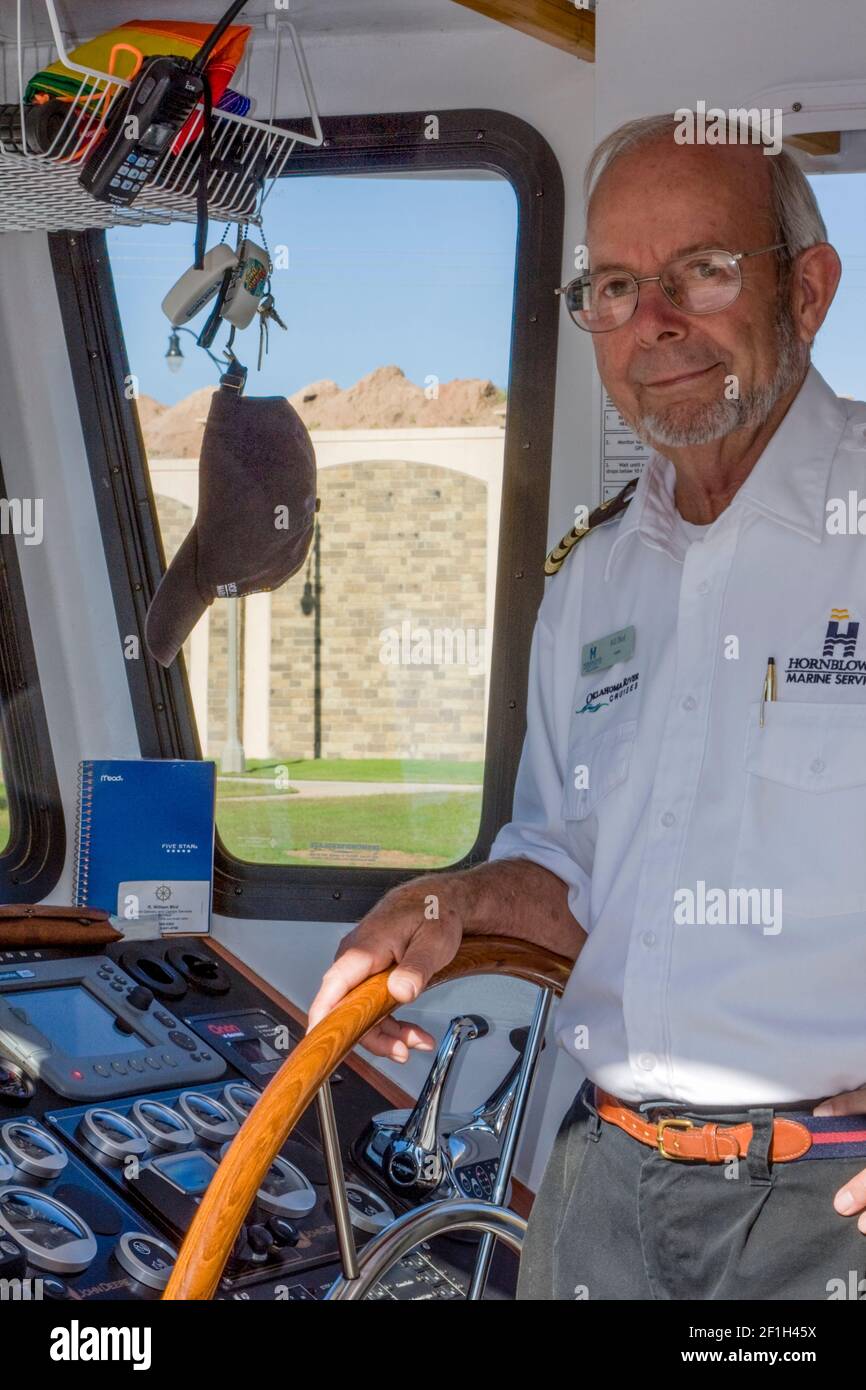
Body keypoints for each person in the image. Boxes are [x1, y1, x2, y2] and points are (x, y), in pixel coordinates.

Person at [308, 112, 866, 1300]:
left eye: (700, 271)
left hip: (828, 1203)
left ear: (806, 291)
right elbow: (565, 873)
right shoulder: (595, 577)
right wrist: (442, 903)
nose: (652, 321)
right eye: (613, 285)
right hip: (599, 1188)